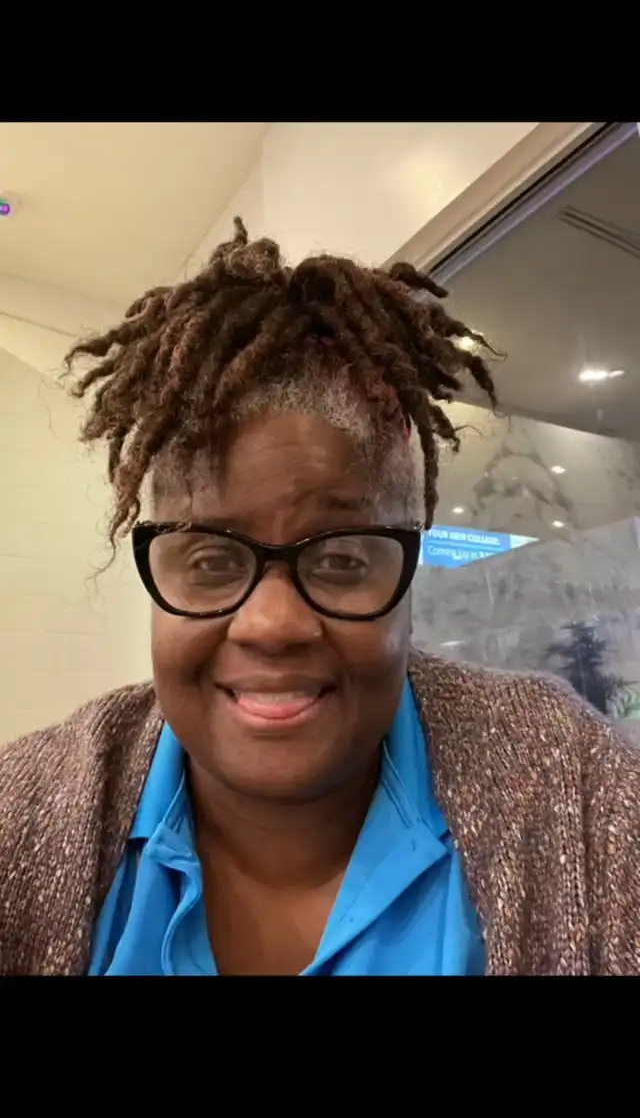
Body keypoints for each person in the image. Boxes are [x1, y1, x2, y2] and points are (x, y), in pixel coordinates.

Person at [2, 219, 640, 977]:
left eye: (340, 559)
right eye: (211, 558)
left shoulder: (574, 784)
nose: (273, 624)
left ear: (409, 566)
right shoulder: (26, 814)